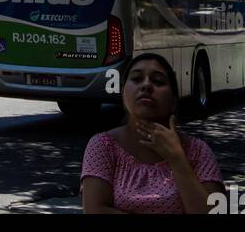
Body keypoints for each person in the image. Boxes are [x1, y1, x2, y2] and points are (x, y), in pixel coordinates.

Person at [81, 52, 224, 214]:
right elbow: (95, 210)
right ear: (123, 94)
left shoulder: (198, 151)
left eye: (158, 81)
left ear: (174, 101)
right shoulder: (103, 145)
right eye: (136, 79)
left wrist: (177, 158)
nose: (146, 85)